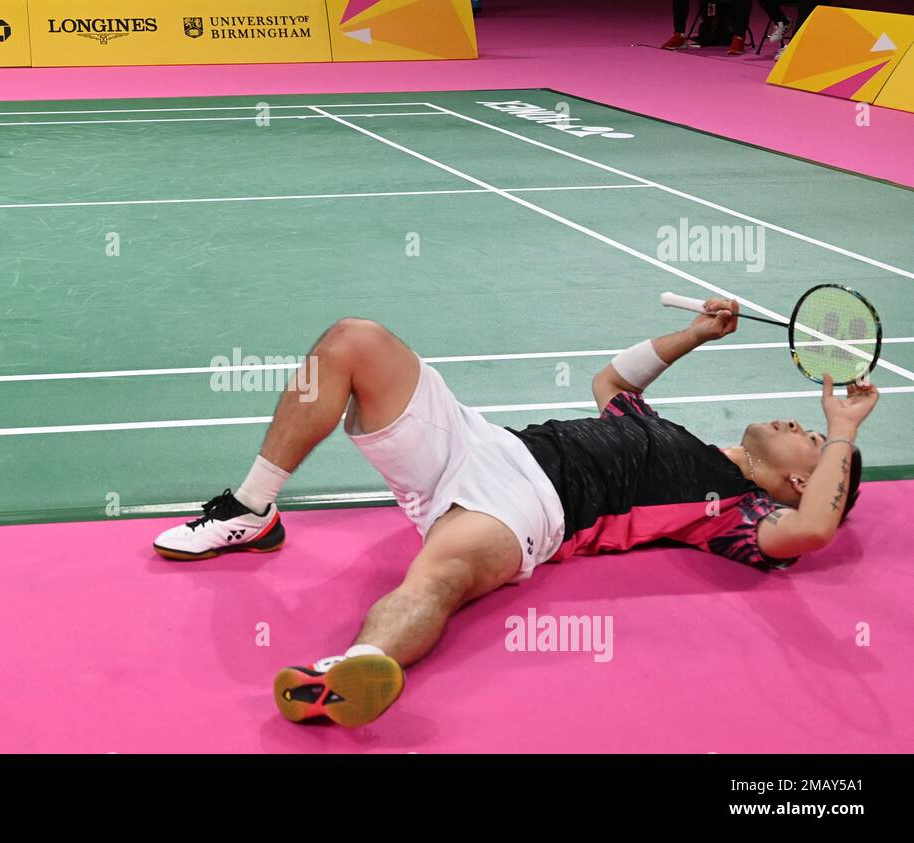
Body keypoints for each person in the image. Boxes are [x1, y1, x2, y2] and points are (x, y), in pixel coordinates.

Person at [153, 300, 878, 726]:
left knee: (437, 579)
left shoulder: (735, 515)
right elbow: (611, 379)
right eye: (810, 428)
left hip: (529, 508)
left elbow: (813, 529)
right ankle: (252, 509)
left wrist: (843, 428)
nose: (798, 422)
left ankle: (349, 671)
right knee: (354, 340)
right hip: (481, 441)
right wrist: (695, 333)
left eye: (809, 443)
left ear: (794, 483)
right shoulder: (675, 436)